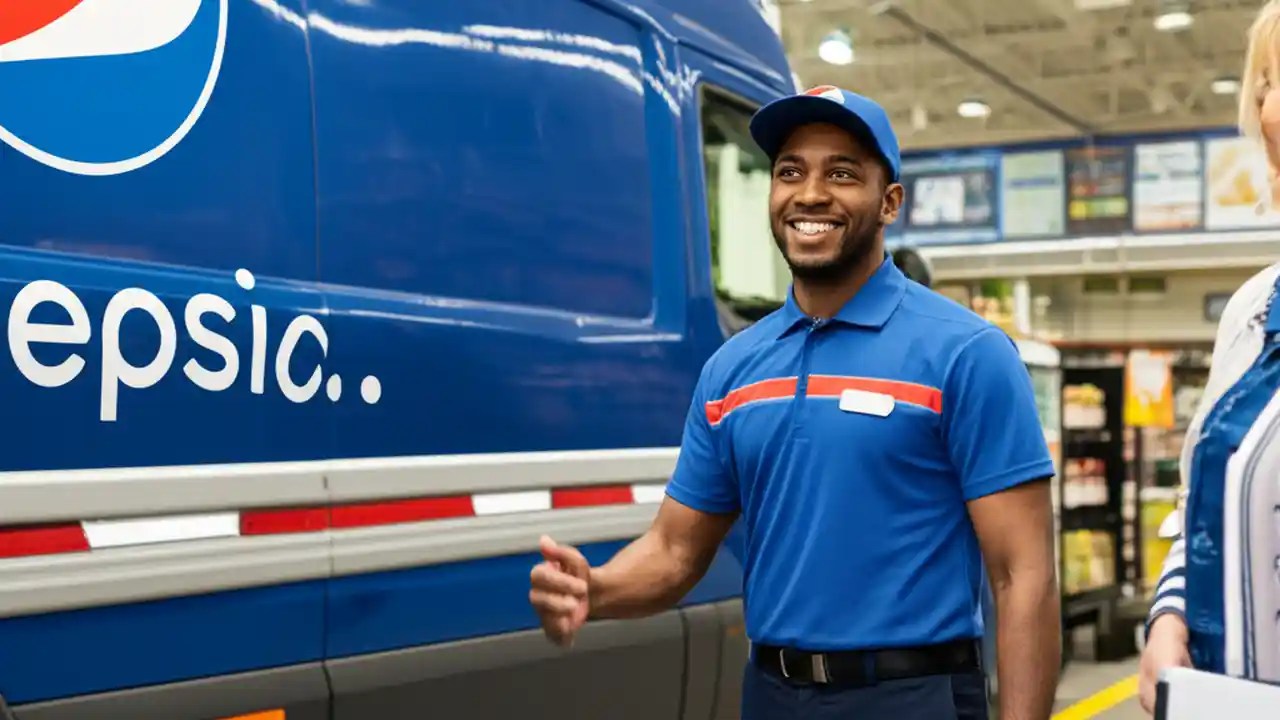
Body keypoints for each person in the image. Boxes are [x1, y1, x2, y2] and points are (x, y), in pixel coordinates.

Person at [529, 85, 1061, 719]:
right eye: (790, 172)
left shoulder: (966, 354)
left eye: (841, 173)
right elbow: (675, 550)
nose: (810, 194)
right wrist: (598, 588)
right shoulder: (733, 371)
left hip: (912, 697)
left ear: (889, 202)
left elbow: (1022, 576)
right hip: (773, 694)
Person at [1139, 2, 1280, 712]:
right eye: (1264, 85)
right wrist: (1169, 616)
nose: (1266, 106)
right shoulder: (1254, 307)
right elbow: (1205, 504)